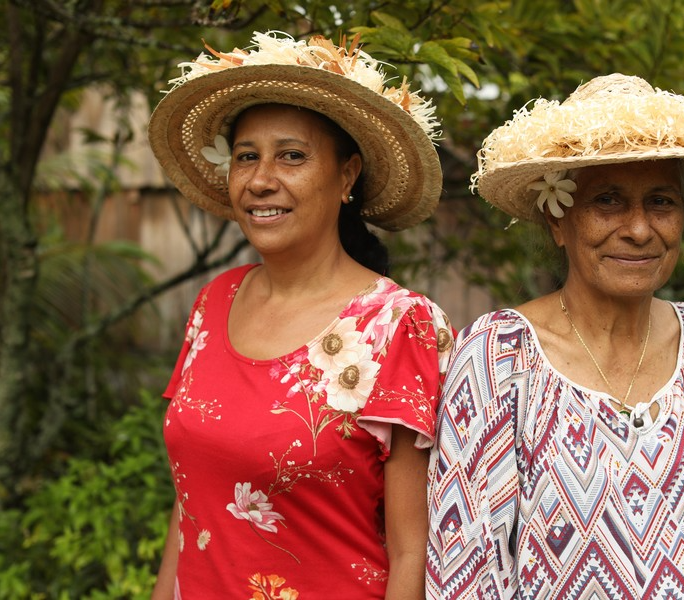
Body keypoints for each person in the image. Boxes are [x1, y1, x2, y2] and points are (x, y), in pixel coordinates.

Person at [427, 74, 684, 599]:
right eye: (609, 201)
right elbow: (465, 568)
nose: (639, 229)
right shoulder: (500, 356)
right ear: (558, 221)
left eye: (661, 202)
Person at [147, 31, 454, 599]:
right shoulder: (215, 302)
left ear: (346, 176)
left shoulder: (398, 326)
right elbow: (191, 505)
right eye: (247, 157)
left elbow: (415, 551)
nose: (262, 180)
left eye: (292, 155)